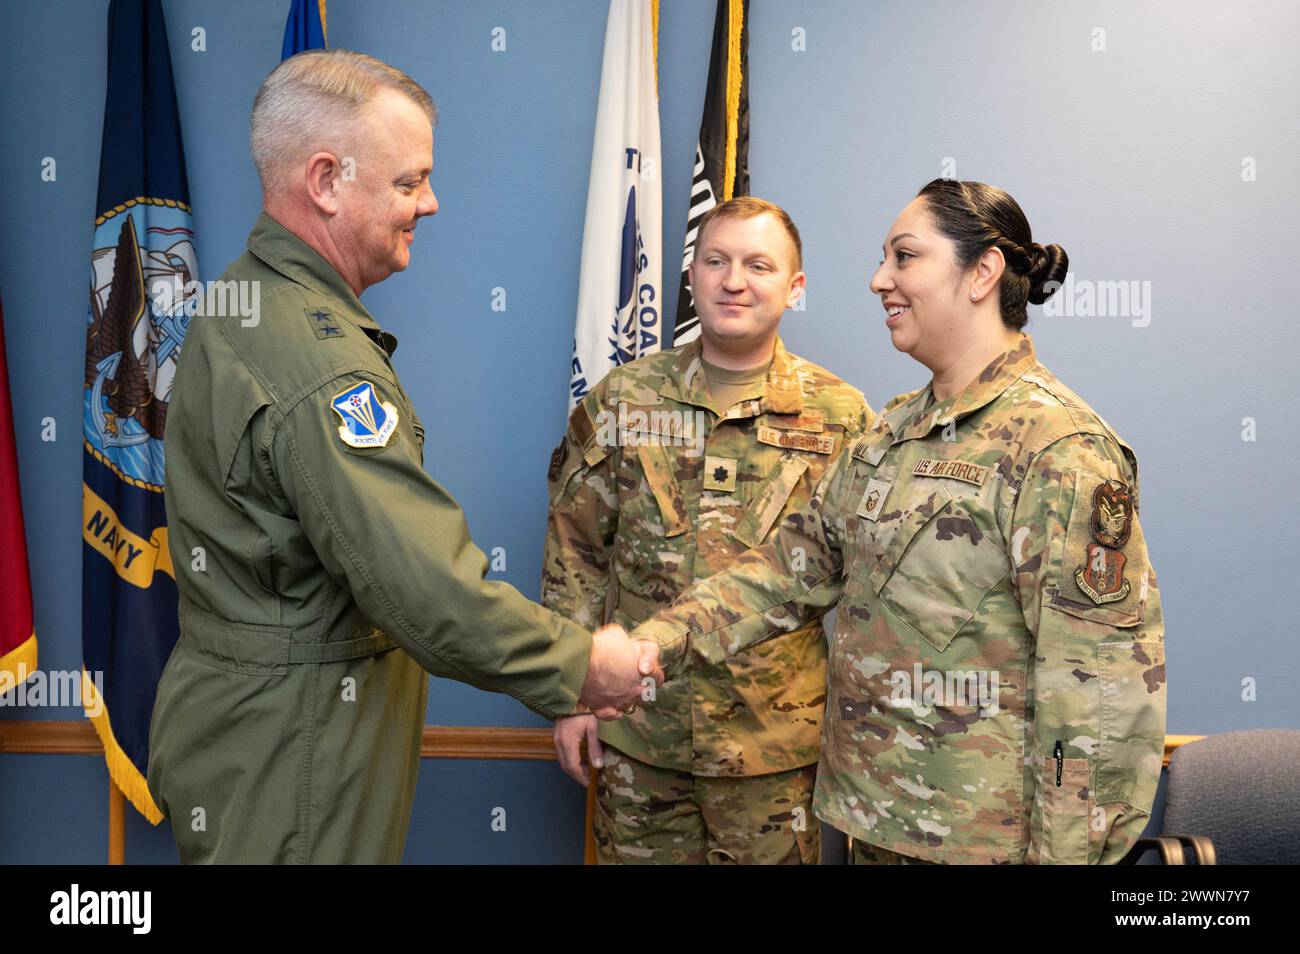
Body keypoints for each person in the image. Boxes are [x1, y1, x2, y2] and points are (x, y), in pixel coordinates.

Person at [147, 49, 661, 864]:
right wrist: (580, 665)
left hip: (260, 731)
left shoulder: (244, 301)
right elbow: (420, 587)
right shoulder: (319, 363)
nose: (430, 202)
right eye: (407, 181)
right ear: (325, 181)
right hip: (298, 750)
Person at [633, 179, 1166, 864]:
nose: (880, 278)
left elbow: (1099, 696)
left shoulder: (1059, 448)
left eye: (904, 256)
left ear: (982, 273)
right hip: (875, 829)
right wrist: (648, 645)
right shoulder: (892, 433)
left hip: (986, 847)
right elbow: (785, 573)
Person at [545, 197, 873, 864]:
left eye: (759, 264)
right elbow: (575, 551)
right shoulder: (623, 400)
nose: (734, 280)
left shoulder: (842, 417)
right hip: (638, 736)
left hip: (774, 752)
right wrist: (572, 689)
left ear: (794, 287)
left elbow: (868, 584)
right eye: (716, 261)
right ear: (691, 276)